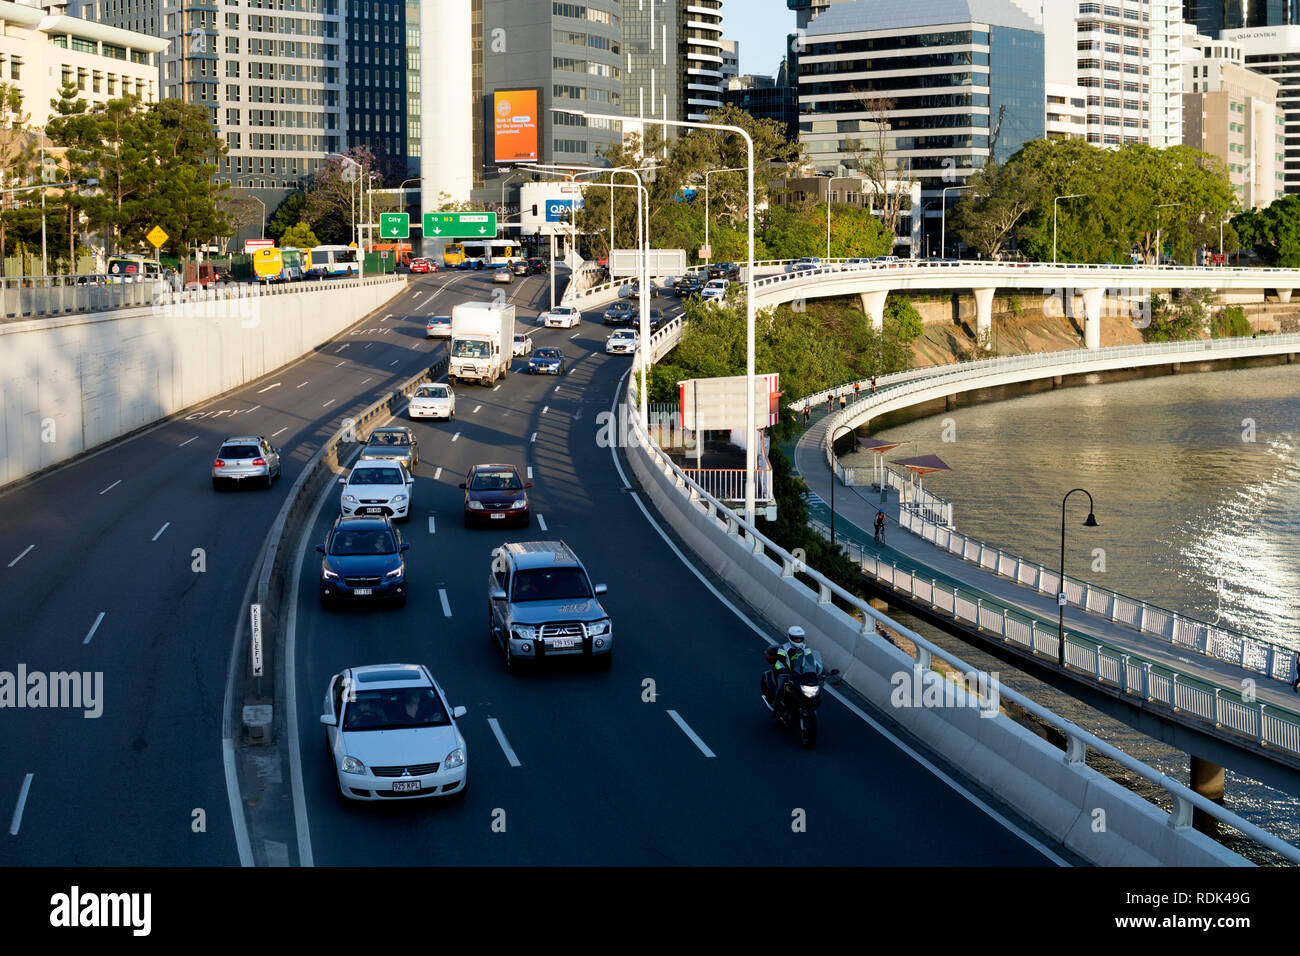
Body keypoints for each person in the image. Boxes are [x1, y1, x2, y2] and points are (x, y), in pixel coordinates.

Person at [764, 626, 807, 713]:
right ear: (790, 638)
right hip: (783, 670)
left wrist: (816, 668)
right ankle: (775, 704)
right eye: (796, 639)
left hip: (798, 672)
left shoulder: (805, 647)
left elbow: (810, 658)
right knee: (781, 687)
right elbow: (781, 660)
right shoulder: (784, 648)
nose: (798, 640)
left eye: (800, 638)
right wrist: (784, 670)